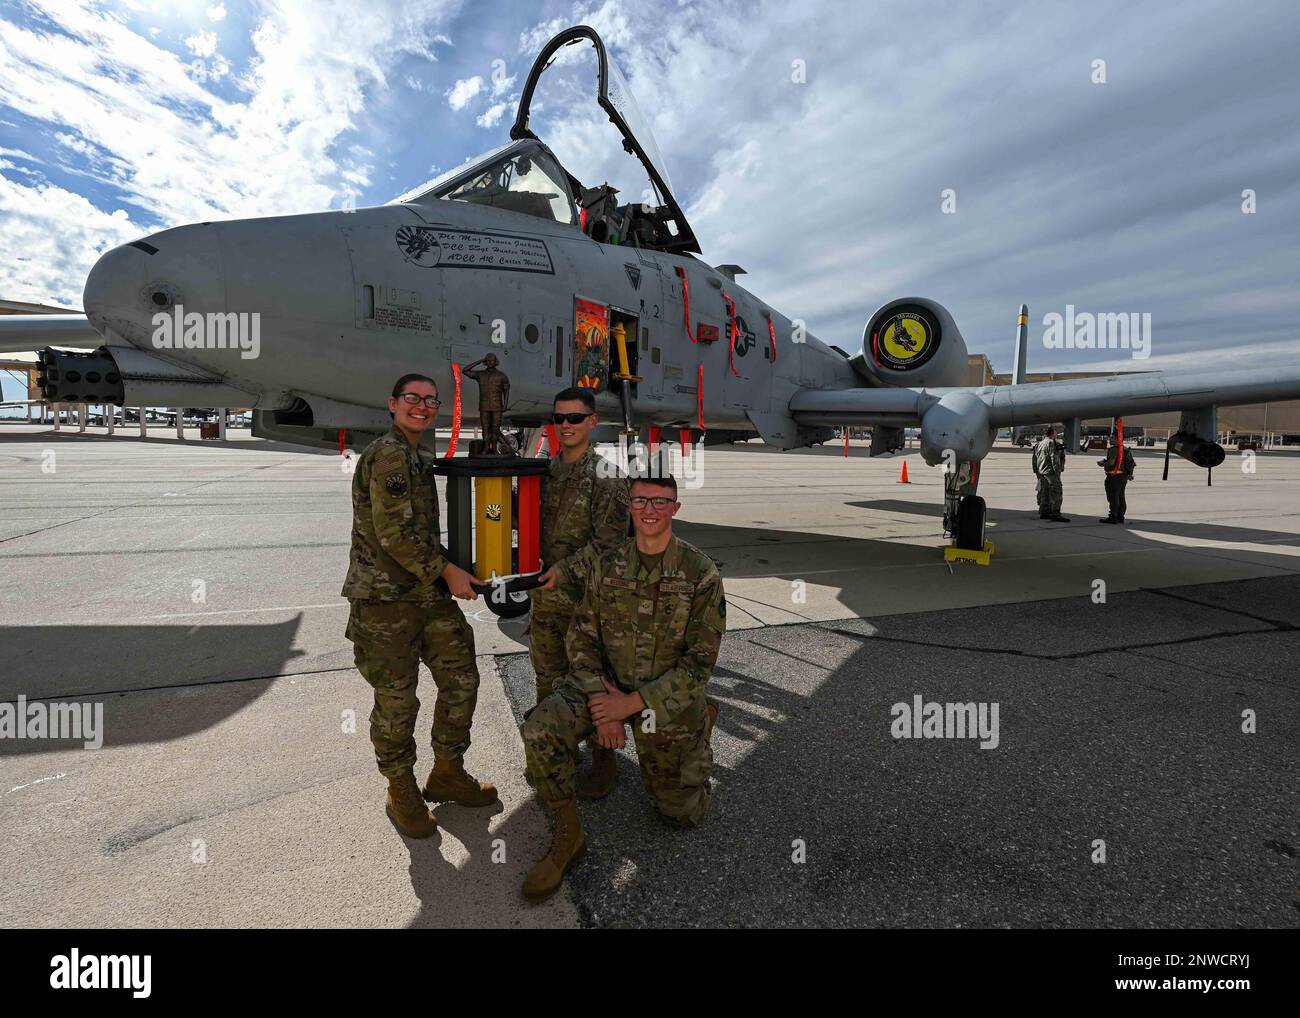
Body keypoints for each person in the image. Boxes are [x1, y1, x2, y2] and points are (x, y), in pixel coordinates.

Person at [520, 475, 725, 902]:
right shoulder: (605, 564)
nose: (649, 510)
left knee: (678, 816)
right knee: (540, 729)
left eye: (660, 501)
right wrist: (599, 700)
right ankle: (567, 834)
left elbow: (698, 665)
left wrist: (626, 706)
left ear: (675, 508)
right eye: (640, 501)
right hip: (606, 687)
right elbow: (581, 638)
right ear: (630, 507)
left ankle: (699, 726)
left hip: (661, 698)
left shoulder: (700, 573)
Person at [342, 373, 497, 839]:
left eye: (431, 401)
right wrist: (449, 572)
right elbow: (394, 537)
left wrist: (453, 569)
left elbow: (421, 535)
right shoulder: (389, 454)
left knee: (461, 677)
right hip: (385, 602)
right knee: (397, 700)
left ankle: (447, 771)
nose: (423, 406)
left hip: (426, 594)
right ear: (393, 404)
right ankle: (400, 788)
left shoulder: (416, 456)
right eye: (413, 398)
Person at [530, 387, 631, 798]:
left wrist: (564, 570)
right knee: (548, 678)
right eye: (560, 419)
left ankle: (604, 757)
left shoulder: (608, 478)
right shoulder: (542, 474)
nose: (566, 426)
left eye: (575, 418)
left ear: (592, 421)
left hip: (588, 605)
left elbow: (610, 545)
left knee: (591, 680)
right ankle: (558, 753)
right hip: (545, 601)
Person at [462, 353, 511, 455]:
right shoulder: (480, 374)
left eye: (492, 360)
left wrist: (505, 405)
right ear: (485, 362)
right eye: (487, 361)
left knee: (495, 429)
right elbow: (465, 371)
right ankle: (485, 448)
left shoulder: (502, 376)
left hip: (497, 406)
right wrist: (479, 361)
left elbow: (506, 391)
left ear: (495, 362)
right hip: (484, 405)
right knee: (485, 428)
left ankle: (493, 449)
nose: (490, 362)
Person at [1033, 426, 1070, 522]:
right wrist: (1057, 471)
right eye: (1056, 433)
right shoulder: (1052, 443)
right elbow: (1055, 458)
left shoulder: (1039, 444)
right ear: (1053, 433)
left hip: (1042, 472)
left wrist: (1036, 471)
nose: (1056, 434)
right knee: (1056, 492)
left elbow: (1035, 458)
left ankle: (1044, 512)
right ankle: (1056, 514)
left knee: (1044, 493)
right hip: (1051, 472)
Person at [1098, 432, 1136, 524]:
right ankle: (1120, 516)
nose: (1110, 440)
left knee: (1113, 496)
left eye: (1112, 438)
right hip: (1123, 476)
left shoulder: (1114, 450)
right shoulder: (1125, 449)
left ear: (1117, 439)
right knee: (1121, 496)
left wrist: (1102, 464)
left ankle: (1113, 516)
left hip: (1114, 476)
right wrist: (1130, 474)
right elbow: (1132, 463)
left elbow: (1111, 463)